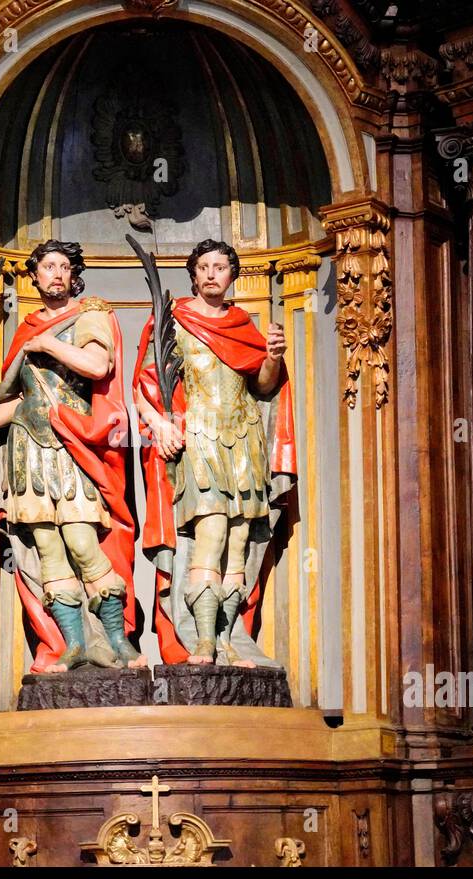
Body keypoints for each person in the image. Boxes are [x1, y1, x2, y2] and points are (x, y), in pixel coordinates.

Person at [0, 240, 143, 672]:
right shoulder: (27, 328)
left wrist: (47, 344)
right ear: (35, 275)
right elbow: (24, 397)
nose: (57, 274)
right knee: (47, 548)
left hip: (74, 443)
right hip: (28, 447)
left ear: (74, 274)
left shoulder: (91, 314)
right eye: (48, 266)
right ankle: (74, 646)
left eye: (65, 266)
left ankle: (117, 643)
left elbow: (97, 367)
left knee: (84, 544)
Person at [133, 238, 296, 668]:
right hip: (201, 440)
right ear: (193, 274)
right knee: (211, 534)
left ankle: (228, 641)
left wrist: (273, 359)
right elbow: (144, 386)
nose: (211, 273)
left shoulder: (244, 324)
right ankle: (202, 642)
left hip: (243, 441)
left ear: (232, 274)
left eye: (220, 266)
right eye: (203, 266)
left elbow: (263, 386)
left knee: (239, 542)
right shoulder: (174, 321)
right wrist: (161, 423)